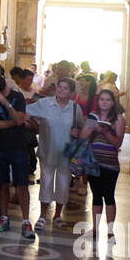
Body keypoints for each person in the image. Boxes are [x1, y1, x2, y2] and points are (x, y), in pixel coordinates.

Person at [27, 77, 84, 230]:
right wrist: (34, 126)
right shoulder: (45, 104)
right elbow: (27, 111)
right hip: (47, 151)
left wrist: (77, 132)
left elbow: (81, 127)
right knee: (46, 182)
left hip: (66, 154)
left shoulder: (74, 108)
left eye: (65, 88)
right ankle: (42, 216)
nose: (61, 90)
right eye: (60, 87)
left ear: (71, 92)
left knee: (63, 185)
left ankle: (58, 215)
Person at [0, 75, 32, 237]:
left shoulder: (17, 97)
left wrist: (6, 104)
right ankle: (4, 217)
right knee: (2, 183)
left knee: (22, 184)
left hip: (18, 146)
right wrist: (15, 121)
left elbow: (20, 120)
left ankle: (26, 221)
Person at [83, 88, 126, 247]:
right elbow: (84, 136)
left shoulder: (119, 118)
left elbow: (118, 143)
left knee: (108, 195)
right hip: (94, 161)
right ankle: (94, 229)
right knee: (96, 195)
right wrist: (92, 130)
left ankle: (110, 231)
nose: (105, 102)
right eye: (102, 99)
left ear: (113, 102)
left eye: (108, 100)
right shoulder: (93, 117)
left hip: (110, 163)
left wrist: (105, 131)